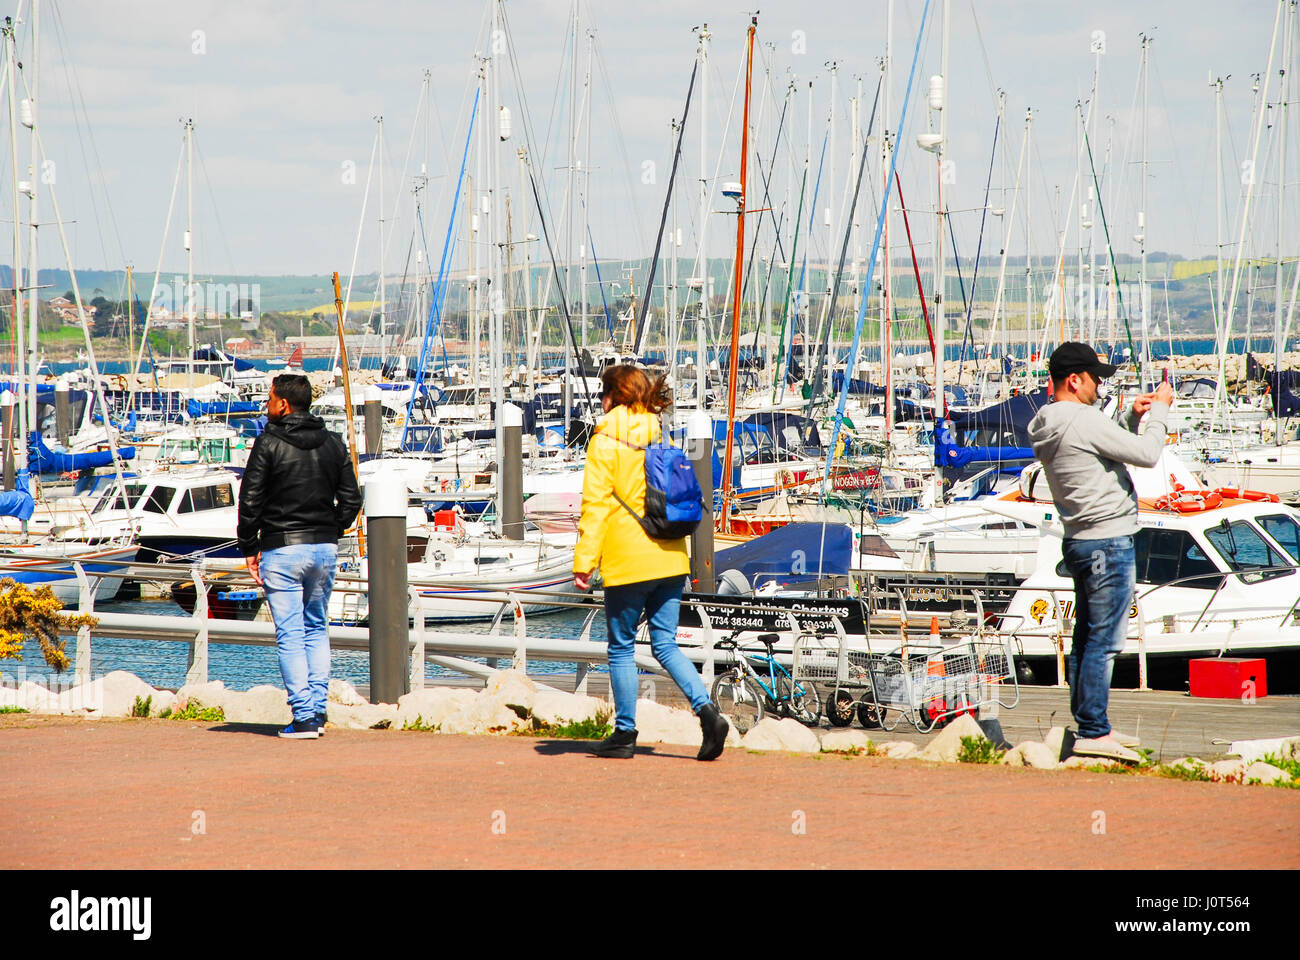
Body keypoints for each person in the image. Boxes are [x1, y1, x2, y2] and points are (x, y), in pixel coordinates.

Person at [573, 364, 729, 760]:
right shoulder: (656, 432)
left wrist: (584, 563)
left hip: (628, 559)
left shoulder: (604, 441)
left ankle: (624, 734)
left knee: (621, 648)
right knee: (665, 644)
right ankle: (708, 713)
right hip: (671, 555)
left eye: (603, 393)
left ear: (613, 396)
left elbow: (596, 507)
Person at [1028, 343, 1173, 762]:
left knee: (1086, 638)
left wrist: (1130, 417)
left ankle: (1092, 723)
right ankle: (1093, 729)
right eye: (1096, 378)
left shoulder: (1053, 423)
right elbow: (1146, 454)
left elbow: (1097, 451)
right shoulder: (1080, 419)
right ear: (1074, 380)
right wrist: (1160, 410)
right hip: (1108, 543)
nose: (1100, 385)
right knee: (1104, 642)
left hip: (1079, 540)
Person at [238, 374, 363, 739]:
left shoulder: (267, 443)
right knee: (316, 629)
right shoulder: (333, 443)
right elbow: (352, 500)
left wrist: (250, 547)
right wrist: (330, 530)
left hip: (282, 548)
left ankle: (305, 717)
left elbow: (250, 501)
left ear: (283, 405)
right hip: (323, 549)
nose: (266, 404)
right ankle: (318, 711)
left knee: (291, 635)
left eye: (269, 398)